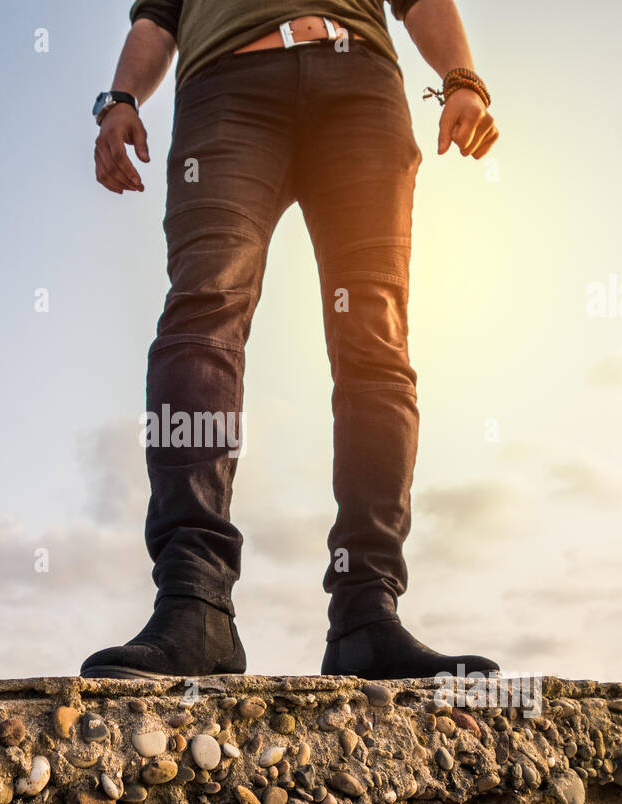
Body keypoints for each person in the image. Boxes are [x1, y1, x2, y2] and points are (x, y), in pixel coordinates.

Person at [82, 0, 502, 680]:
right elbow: (156, 20)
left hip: (361, 87)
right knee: (201, 319)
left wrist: (463, 79)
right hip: (226, 88)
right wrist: (119, 100)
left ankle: (367, 615)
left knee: (376, 342)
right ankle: (195, 604)